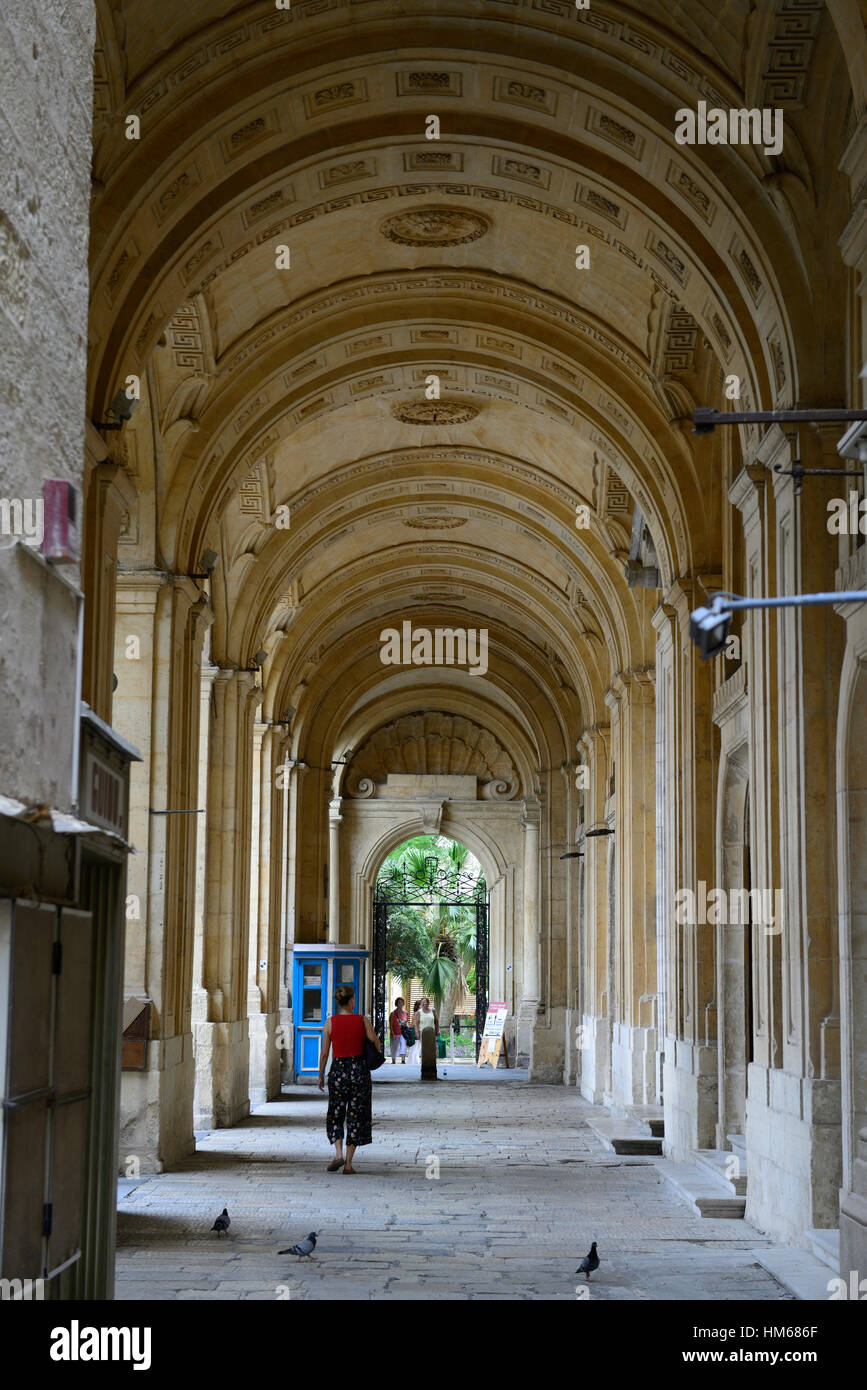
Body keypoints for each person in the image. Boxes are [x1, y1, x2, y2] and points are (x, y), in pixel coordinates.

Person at [317, 983, 381, 1174]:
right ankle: (349, 1164)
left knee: (336, 1113)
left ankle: (338, 1154)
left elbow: (324, 1054)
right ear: (352, 1000)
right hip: (359, 1071)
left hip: (338, 1071)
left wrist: (321, 1075)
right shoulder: (362, 1021)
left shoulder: (330, 1023)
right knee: (356, 1115)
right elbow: (376, 1044)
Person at [389, 997, 408, 1063]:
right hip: (395, 1033)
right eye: (399, 1002)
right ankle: (393, 1060)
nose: (400, 1004)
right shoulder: (393, 1014)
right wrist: (392, 1033)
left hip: (403, 1033)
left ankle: (403, 1060)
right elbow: (390, 1025)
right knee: (394, 1047)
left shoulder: (405, 1013)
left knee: (403, 1046)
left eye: (401, 1002)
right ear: (396, 1004)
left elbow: (406, 1023)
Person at [406, 999, 422, 1064]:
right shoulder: (416, 1014)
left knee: (417, 1050)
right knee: (414, 1050)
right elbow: (412, 1024)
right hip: (415, 1033)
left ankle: (415, 1063)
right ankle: (411, 1064)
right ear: (419, 1006)